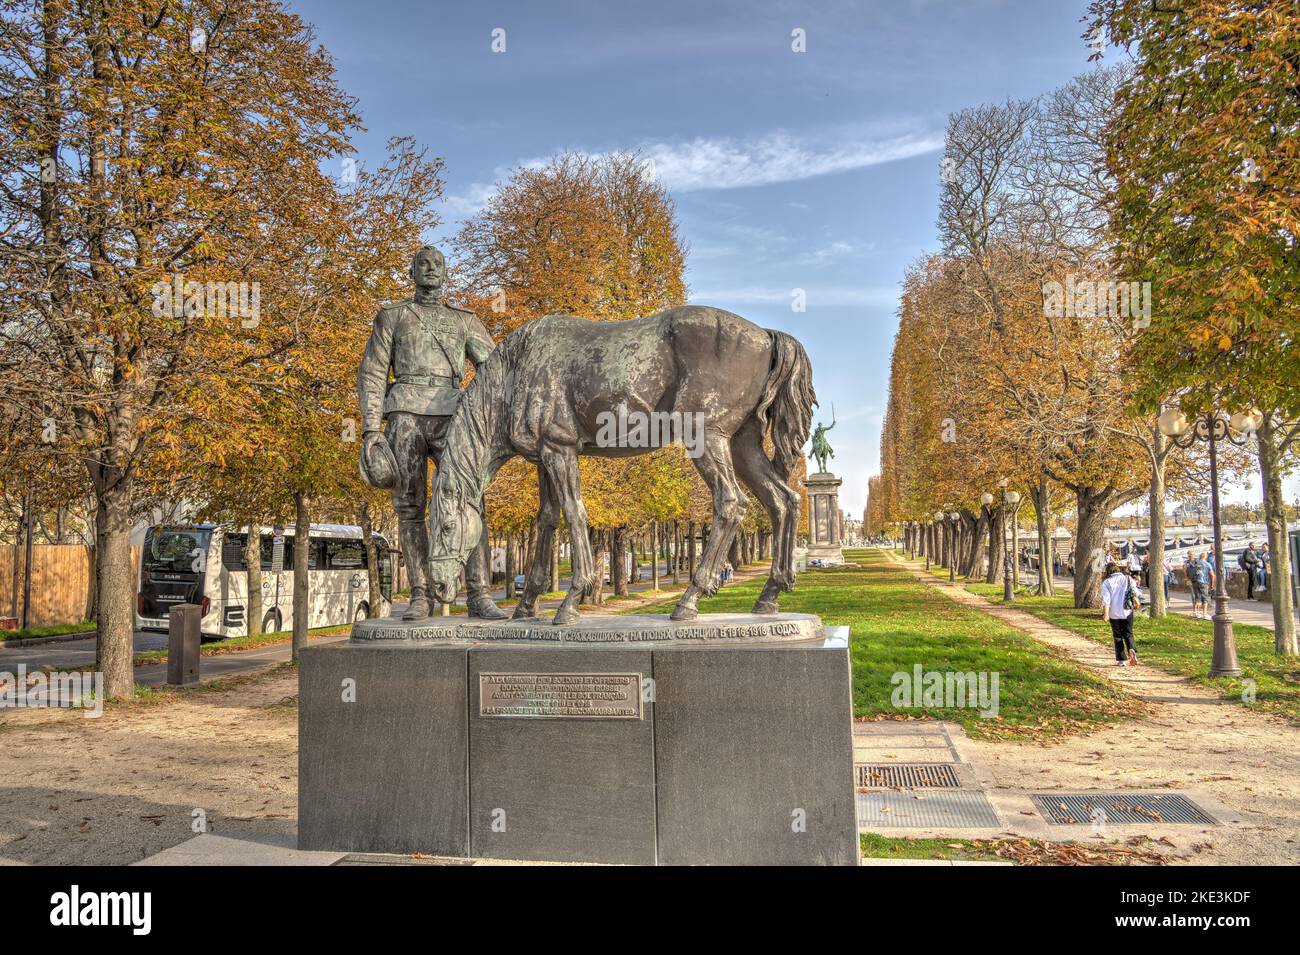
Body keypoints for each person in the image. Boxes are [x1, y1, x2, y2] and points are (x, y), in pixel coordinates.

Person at [357, 245, 507, 622]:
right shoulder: (392, 316)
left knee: (470, 503)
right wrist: (371, 429)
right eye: (422, 263)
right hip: (404, 415)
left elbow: (495, 370)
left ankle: (479, 594)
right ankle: (421, 595)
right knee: (409, 509)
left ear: (445, 274)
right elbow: (373, 372)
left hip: (453, 419)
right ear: (412, 271)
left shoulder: (465, 321)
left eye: (437, 264)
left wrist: (490, 421)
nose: (430, 269)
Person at [1101, 560, 1139, 666]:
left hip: (1114, 612)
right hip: (1127, 610)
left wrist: (1106, 614)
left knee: (1117, 636)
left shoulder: (1107, 582)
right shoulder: (1127, 578)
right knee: (1128, 633)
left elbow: (1106, 599)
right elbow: (1135, 592)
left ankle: (1122, 659)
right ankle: (1131, 649)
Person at [1187, 550, 1214, 619]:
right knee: (1205, 598)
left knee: (1197, 597)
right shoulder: (1207, 564)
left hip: (1195, 582)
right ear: (1205, 557)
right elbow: (1212, 575)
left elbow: (1188, 570)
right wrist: (1212, 585)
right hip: (1203, 582)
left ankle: (1196, 612)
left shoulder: (1195, 562)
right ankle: (1204, 614)